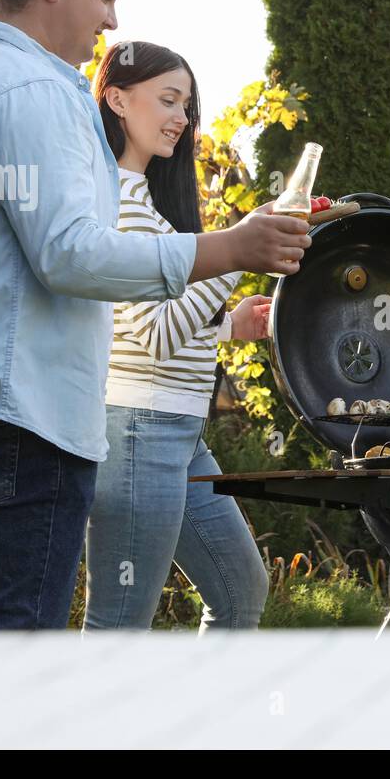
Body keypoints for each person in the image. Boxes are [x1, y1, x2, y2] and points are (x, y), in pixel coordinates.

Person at [0, 0, 309, 630]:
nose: (110, 21)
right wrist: (234, 248)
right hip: (22, 415)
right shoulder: (42, 89)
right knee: (19, 642)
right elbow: (71, 255)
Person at [83, 41, 270, 632]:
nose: (181, 118)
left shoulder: (144, 202)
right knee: (120, 625)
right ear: (116, 98)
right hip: (139, 431)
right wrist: (240, 252)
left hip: (181, 435)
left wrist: (225, 324)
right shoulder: (112, 198)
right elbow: (155, 336)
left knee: (241, 593)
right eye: (167, 100)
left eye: (186, 105)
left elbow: (145, 320)